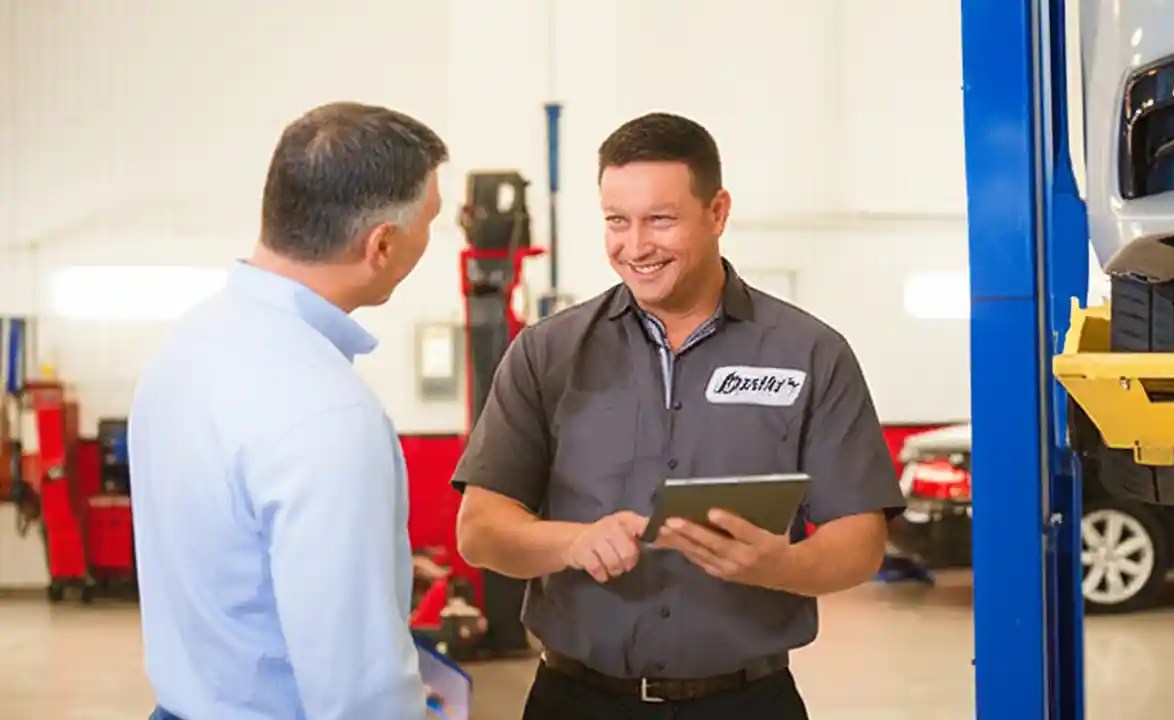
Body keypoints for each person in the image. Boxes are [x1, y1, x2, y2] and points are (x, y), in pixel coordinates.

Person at [452, 111, 906, 719]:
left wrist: (783, 566)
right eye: (617, 221)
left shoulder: (810, 354)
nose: (635, 247)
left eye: (660, 220)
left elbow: (861, 538)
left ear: (717, 213)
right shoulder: (546, 353)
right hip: (576, 702)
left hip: (747, 702)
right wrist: (574, 542)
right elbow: (479, 530)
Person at [128, 101, 448, 719]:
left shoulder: (187, 347)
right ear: (381, 244)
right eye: (429, 221)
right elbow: (357, 688)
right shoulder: (328, 411)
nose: (431, 239)